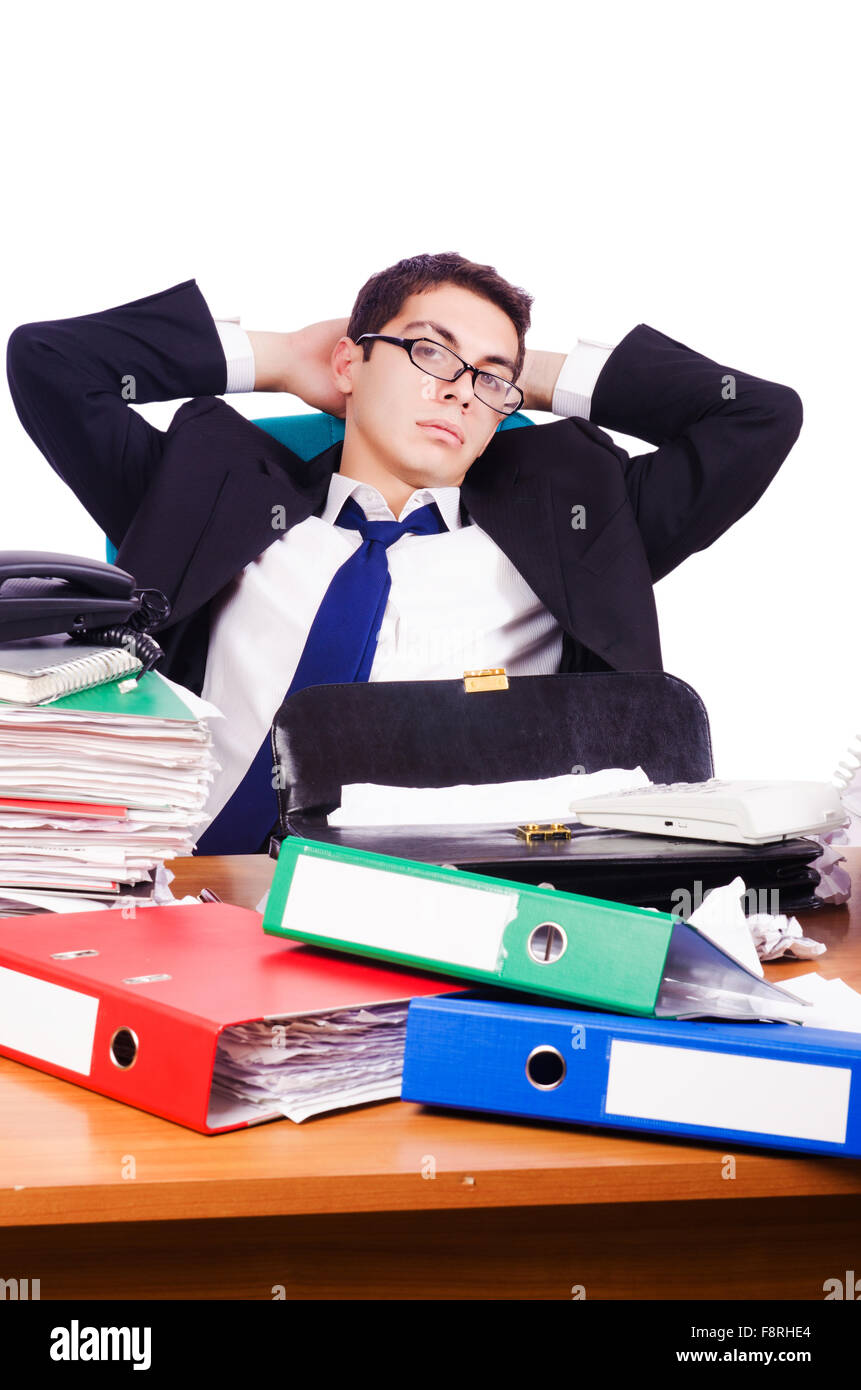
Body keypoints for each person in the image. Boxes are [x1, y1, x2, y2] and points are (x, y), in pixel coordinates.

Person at [6, 252, 802, 852]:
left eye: (488, 378)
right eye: (430, 353)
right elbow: (50, 364)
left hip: (458, 896)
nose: (458, 388)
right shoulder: (207, 487)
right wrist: (281, 355)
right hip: (203, 887)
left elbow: (756, 417)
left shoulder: (583, 525)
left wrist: (531, 376)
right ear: (350, 363)